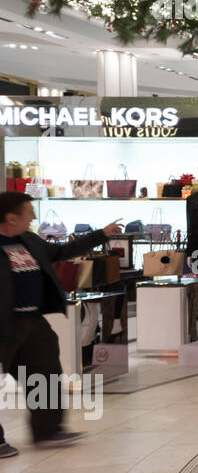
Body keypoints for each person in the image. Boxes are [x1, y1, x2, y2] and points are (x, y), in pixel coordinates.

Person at [0, 192, 121, 457]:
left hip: (32, 322)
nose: (33, 216)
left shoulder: (28, 240)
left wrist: (101, 234)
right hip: (4, 326)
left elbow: (64, 251)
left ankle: (48, 430)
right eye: (28, 211)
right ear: (11, 218)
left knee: (45, 372)